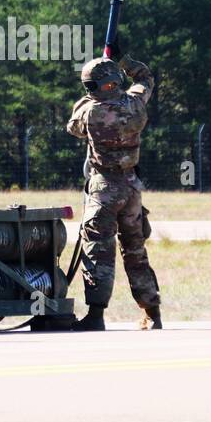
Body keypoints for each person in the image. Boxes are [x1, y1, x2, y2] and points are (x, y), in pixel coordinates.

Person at [65, 49, 162, 331]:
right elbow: (145, 77)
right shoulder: (135, 103)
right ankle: (153, 314)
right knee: (135, 250)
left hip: (104, 187)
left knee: (98, 250)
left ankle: (96, 316)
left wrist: (92, 93)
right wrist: (124, 60)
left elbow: (73, 126)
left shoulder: (90, 111)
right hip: (132, 187)